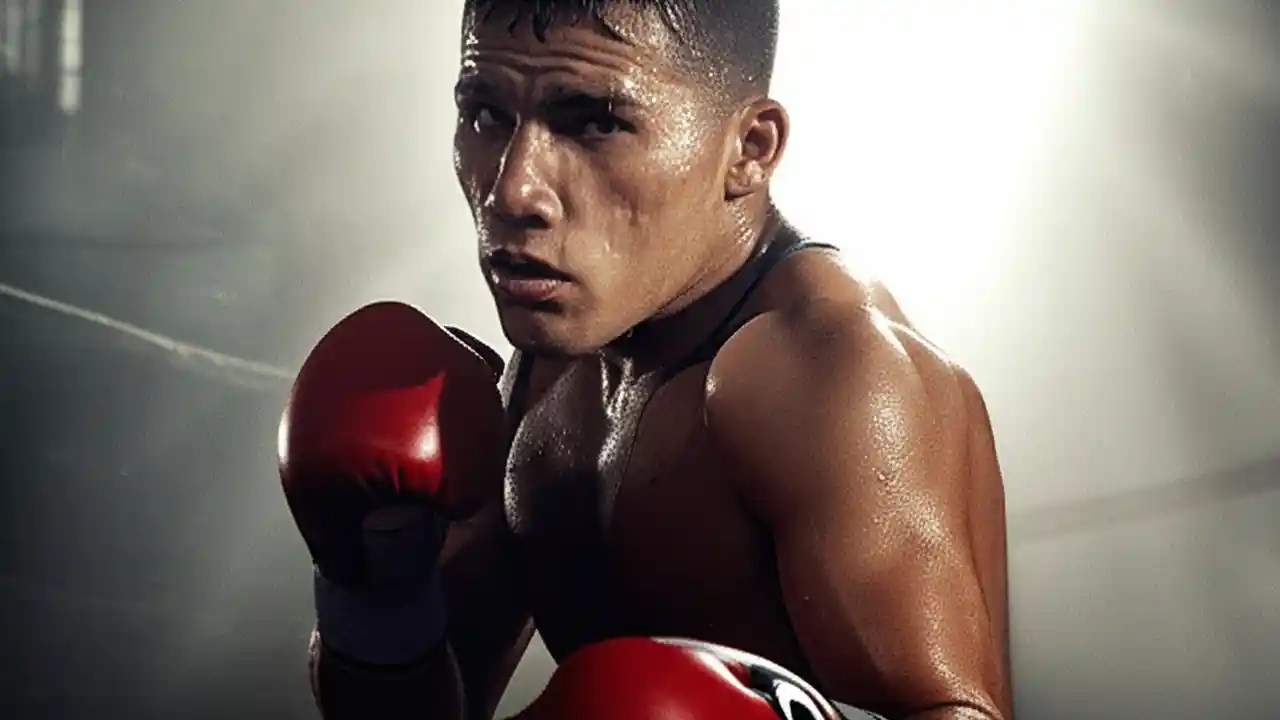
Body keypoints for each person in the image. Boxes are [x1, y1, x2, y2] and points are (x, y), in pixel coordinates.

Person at [277, 0, 1012, 717]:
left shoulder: (828, 367)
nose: (513, 189)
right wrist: (372, 588)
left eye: (596, 122)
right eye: (485, 114)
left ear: (749, 150)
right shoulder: (549, 369)